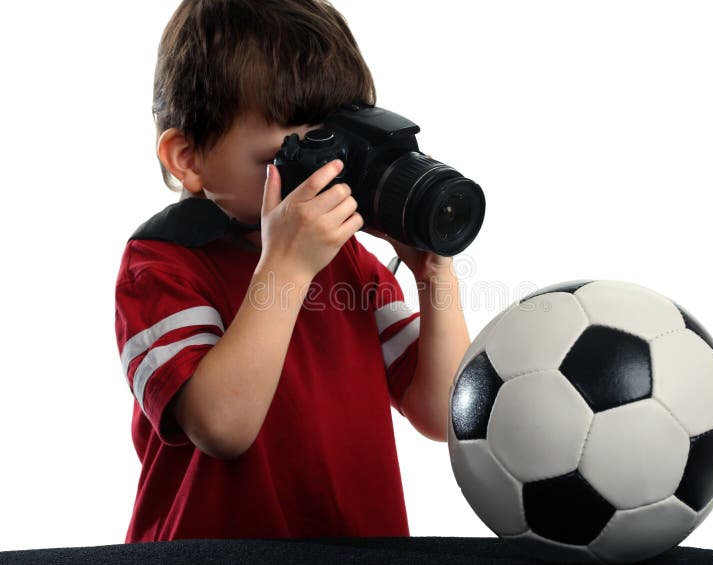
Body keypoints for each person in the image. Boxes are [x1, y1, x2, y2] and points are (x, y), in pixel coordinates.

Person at [114, 0, 471, 543]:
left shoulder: (350, 263)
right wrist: (285, 267)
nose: (321, 181)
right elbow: (222, 426)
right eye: (288, 156)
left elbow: (443, 410)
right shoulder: (162, 264)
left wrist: (433, 274)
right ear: (188, 158)